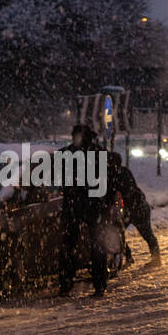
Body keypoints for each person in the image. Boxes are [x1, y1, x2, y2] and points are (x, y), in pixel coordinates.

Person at [58, 125, 109, 297]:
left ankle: (66, 284)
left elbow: (59, 181)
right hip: (91, 205)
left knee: (69, 245)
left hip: (75, 205)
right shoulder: (97, 154)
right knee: (96, 246)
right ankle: (99, 283)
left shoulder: (65, 154)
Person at [108, 151, 161, 269]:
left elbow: (120, 191)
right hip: (133, 208)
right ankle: (131, 256)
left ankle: (152, 259)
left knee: (144, 234)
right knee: (118, 232)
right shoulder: (120, 172)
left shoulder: (119, 174)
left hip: (137, 208)